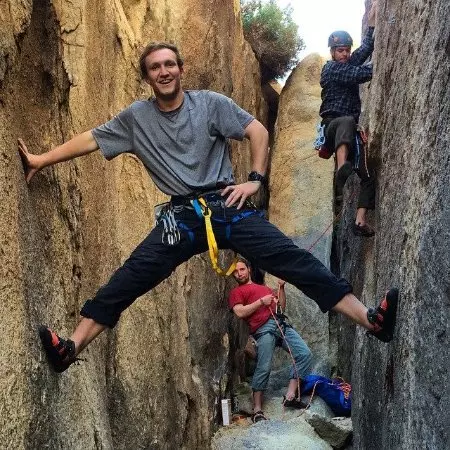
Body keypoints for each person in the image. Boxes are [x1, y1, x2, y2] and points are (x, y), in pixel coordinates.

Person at [18, 41, 399, 375]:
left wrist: (255, 179)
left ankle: (370, 320)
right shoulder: (137, 119)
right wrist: (40, 160)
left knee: (293, 261)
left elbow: (258, 131)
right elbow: (90, 139)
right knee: (130, 277)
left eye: (169, 64)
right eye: (155, 67)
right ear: (147, 77)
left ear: (181, 69)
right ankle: (71, 348)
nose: (164, 72)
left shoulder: (210, 104)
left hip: (226, 205)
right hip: (181, 220)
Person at [319, 1, 378, 237]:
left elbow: (365, 50)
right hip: (332, 126)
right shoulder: (331, 69)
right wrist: (376, 68)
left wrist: (372, 20)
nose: (344, 54)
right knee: (346, 120)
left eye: (346, 50)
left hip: (349, 132)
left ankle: (360, 221)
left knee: (367, 176)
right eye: (340, 50)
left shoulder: (347, 61)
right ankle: (341, 165)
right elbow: (359, 73)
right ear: (332, 52)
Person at [228, 259, 312, 422]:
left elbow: (280, 307)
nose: (239, 273)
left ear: (249, 269)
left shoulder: (264, 289)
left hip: (280, 324)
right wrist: (261, 302)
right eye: (236, 272)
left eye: (242, 269)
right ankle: (257, 410)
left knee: (304, 354)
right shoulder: (237, 292)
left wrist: (281, 288)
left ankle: (290, 396)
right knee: (264, 366)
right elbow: (239, 312)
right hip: (263, 329)